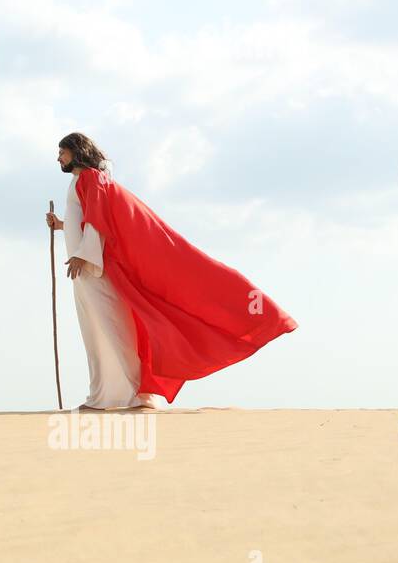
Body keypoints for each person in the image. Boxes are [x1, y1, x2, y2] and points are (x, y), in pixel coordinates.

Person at [45, 132, 297, 410]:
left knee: (111, 329)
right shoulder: (80, 180)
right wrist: (61, 225)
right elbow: (85, 218)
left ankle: (137, 395)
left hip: (94, 268)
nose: (59, 157)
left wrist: (84, 255)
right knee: (95, 331)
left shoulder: (91, 177)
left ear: (76, 151)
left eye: (62, 152)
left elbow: (97, 220)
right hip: (83, 269)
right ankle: (106, 395)